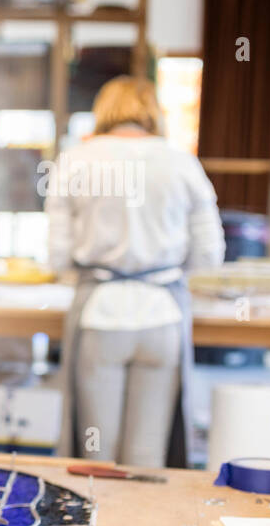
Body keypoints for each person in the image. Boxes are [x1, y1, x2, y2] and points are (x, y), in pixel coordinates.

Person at [46, 75, 224, 468]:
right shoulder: (181, 162)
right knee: (146, 457)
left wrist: (81, 271)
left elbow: (57, 255)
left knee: (96, 453)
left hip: (100, 315)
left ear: (103, 111)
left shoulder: (76, 159)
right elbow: (210, 253)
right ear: (151, 112)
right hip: (162, 315)